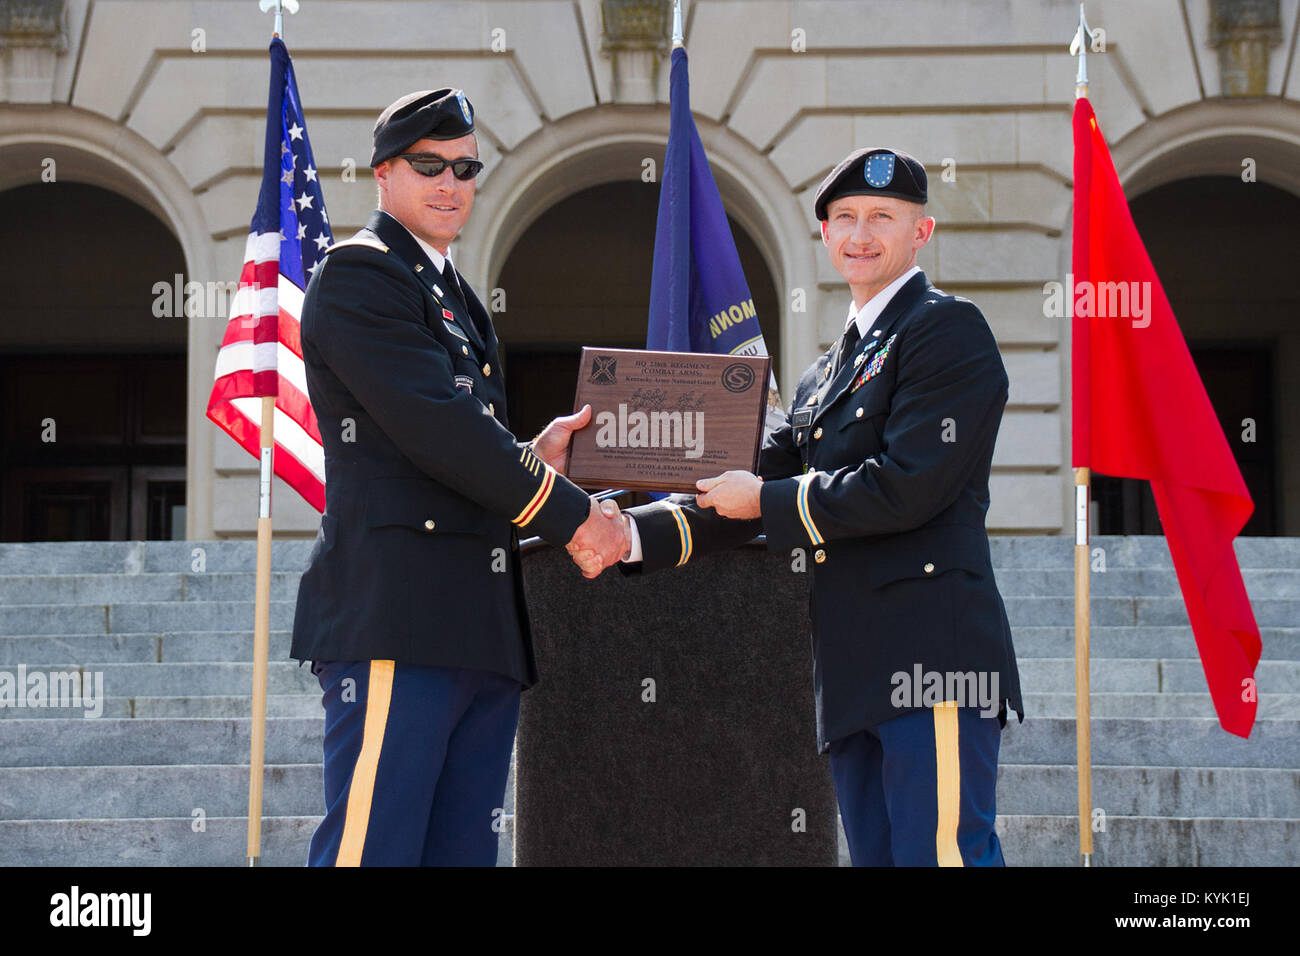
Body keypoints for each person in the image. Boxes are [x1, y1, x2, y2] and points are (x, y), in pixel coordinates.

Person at [583, 147, 1024, 866]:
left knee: (944, 857)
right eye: (844, 218)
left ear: (922, 232)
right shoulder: (827, 372)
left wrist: (764, 496)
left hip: (933, 659)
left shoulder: (947, 330)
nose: (861, 234)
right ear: (823, 235)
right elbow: (742, 487)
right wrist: (627, 534)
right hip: (852, 669)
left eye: (883, 217)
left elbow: (908, 484)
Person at [290, 88, 629, 866]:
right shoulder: (359, 275)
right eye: (427, 165)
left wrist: (531, 454)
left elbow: (459, 446)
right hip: (398, 618)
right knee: (373, 851)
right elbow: (440, 428)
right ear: (382, 173)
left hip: (475, 628)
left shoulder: (455, 296)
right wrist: (575, 514)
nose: (450, 182)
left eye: (465, 167)